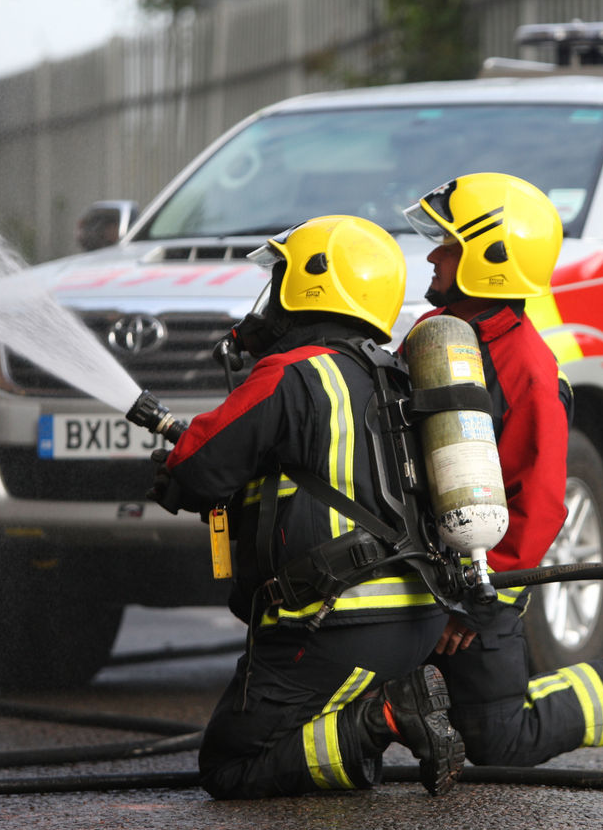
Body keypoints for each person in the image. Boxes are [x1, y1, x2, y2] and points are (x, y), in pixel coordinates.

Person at [150, 214, 464, 799]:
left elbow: (197, 469)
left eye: (282, 280)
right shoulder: (396, 375)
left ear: (311, 286)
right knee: (306, 752)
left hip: (334, 624)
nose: (269, 303)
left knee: (231, 764)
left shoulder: (290, 374)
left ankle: (386, 717)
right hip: (418, 619)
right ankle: (380, 716)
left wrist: (173, 471)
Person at [402, 172, 603, 768]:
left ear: (492, 258)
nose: (431, 254)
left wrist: (480, 606)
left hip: (478, 586)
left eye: (448, 245)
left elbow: (540, 503)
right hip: (427, 573)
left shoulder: (528, 370)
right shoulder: (435, 339)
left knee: (498, 738)